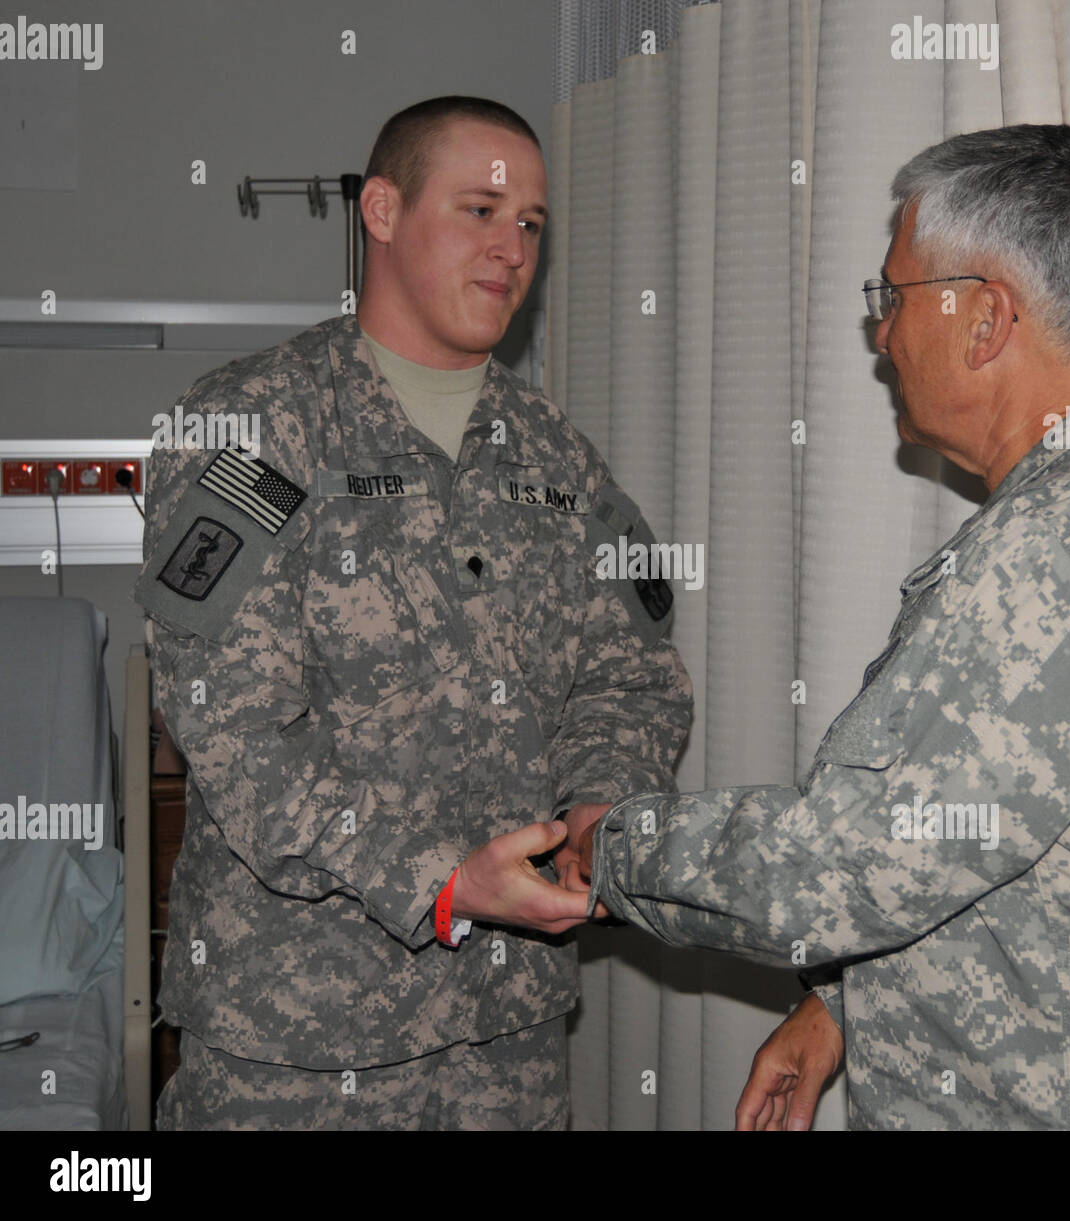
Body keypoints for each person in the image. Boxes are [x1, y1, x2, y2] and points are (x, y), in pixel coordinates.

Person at [565, 124, 1070, 1130]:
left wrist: (608, 846)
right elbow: (1061, 841)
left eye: (894, 296)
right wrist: (840, 1005)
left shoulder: (1061, 548)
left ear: (985, 318)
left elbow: (846, 862)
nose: (882, 335)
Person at [134, 96, 692, 1130]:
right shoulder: (256, 428)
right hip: (297, 1045)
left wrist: (598, 809)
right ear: (382, 211)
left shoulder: (556, 455)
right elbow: (233, 725)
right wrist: (443, 877)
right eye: (480, 210)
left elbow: (630, 678)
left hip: (508, 1036)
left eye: (530, 223)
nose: (511, 249)